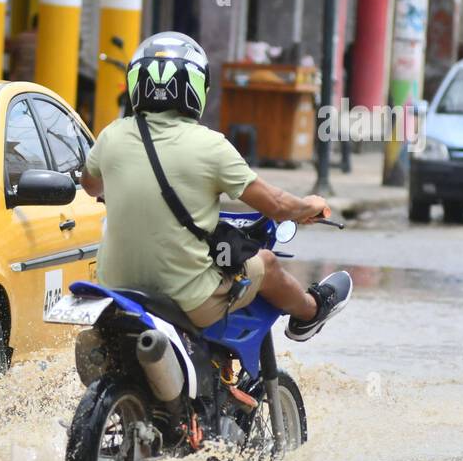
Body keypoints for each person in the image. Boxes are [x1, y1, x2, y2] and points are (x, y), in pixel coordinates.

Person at [80, 31, 351, 341]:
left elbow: (90, 186)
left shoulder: (111, 136)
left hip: (116, 290)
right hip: (188, 300)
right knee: (266, 262)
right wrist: (309, 205)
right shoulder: (211, 146)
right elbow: (275, 205)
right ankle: (311, 311)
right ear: (196, 88)